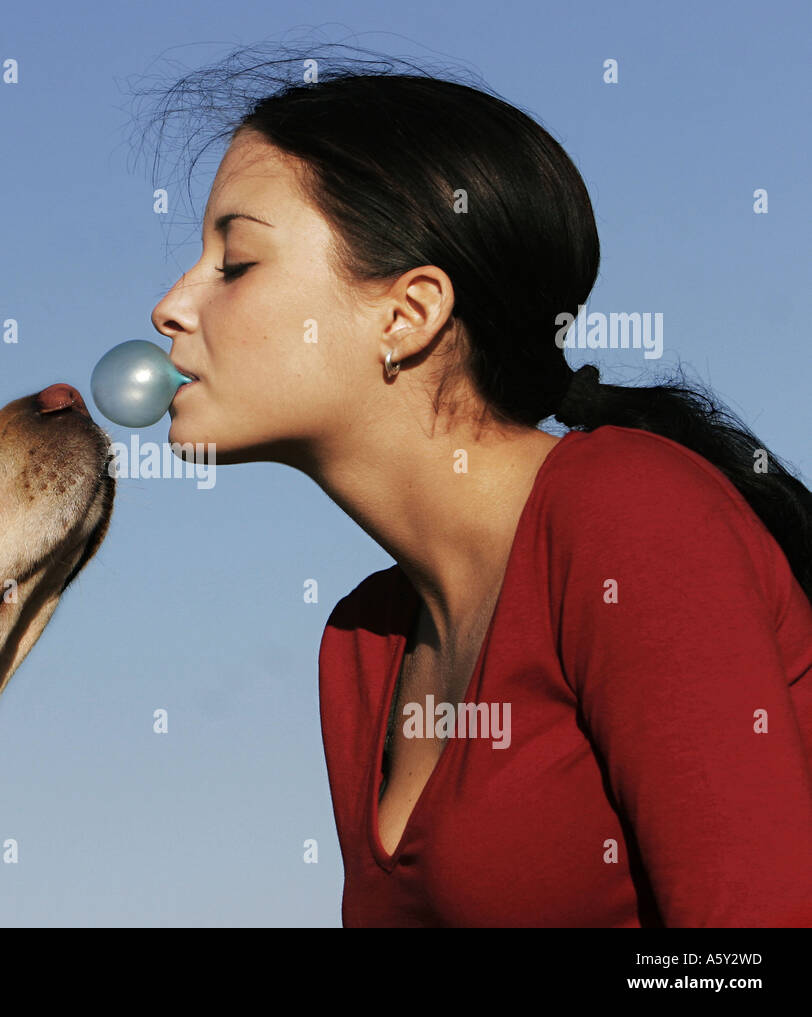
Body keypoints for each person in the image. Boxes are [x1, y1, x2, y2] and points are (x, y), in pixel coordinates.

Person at [143, 46, 812, 927]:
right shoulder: (364, 644)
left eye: (234, 264)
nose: (172, 307)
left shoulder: (630, 514)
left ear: (408, 312)